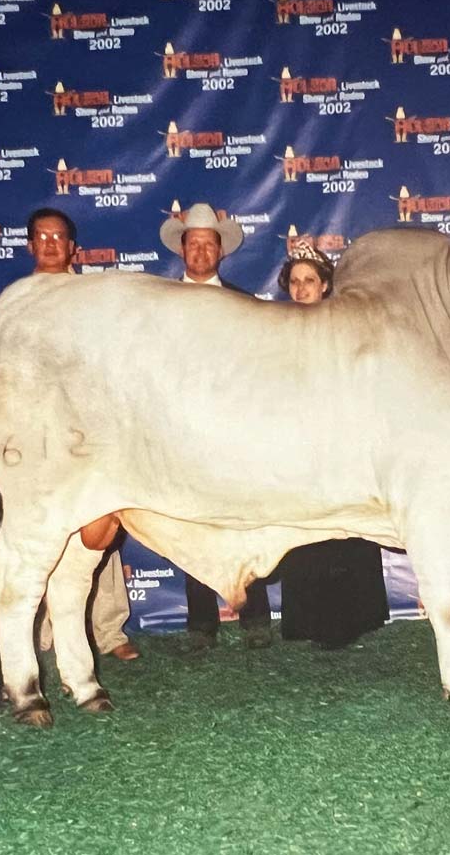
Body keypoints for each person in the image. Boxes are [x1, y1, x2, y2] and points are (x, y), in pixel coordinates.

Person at [25, 208, 140, 661]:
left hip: (89, 425)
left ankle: (109, 631)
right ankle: (46, 631)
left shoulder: (92, 297)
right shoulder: (17, 301)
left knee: (100, 520)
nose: (51, 244)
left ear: (72, 247)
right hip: (37, 430)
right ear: (30, 245)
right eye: (42, 237)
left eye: (59, 237)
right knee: (42, 526)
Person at [158, 202, 272, 650]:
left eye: (209, 244)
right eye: (194, 243)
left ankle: (256, 618)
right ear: (181, 249)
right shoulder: (159, 305)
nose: (201, 252)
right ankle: (201, 624)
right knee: (192, 523)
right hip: (183, 431)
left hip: (235, 431)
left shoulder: (243, 303)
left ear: (220, 251)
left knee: (246, 520)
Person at [274, 240, 389, 648]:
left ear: (325, 285)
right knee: (308, 527)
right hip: (298, 439)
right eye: (295, 281)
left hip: (344, 438)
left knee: (347, 525)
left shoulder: (349, 326)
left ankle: (354, 618)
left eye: (310, 280)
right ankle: (310, 621)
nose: (302, 288)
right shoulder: (275, 329)